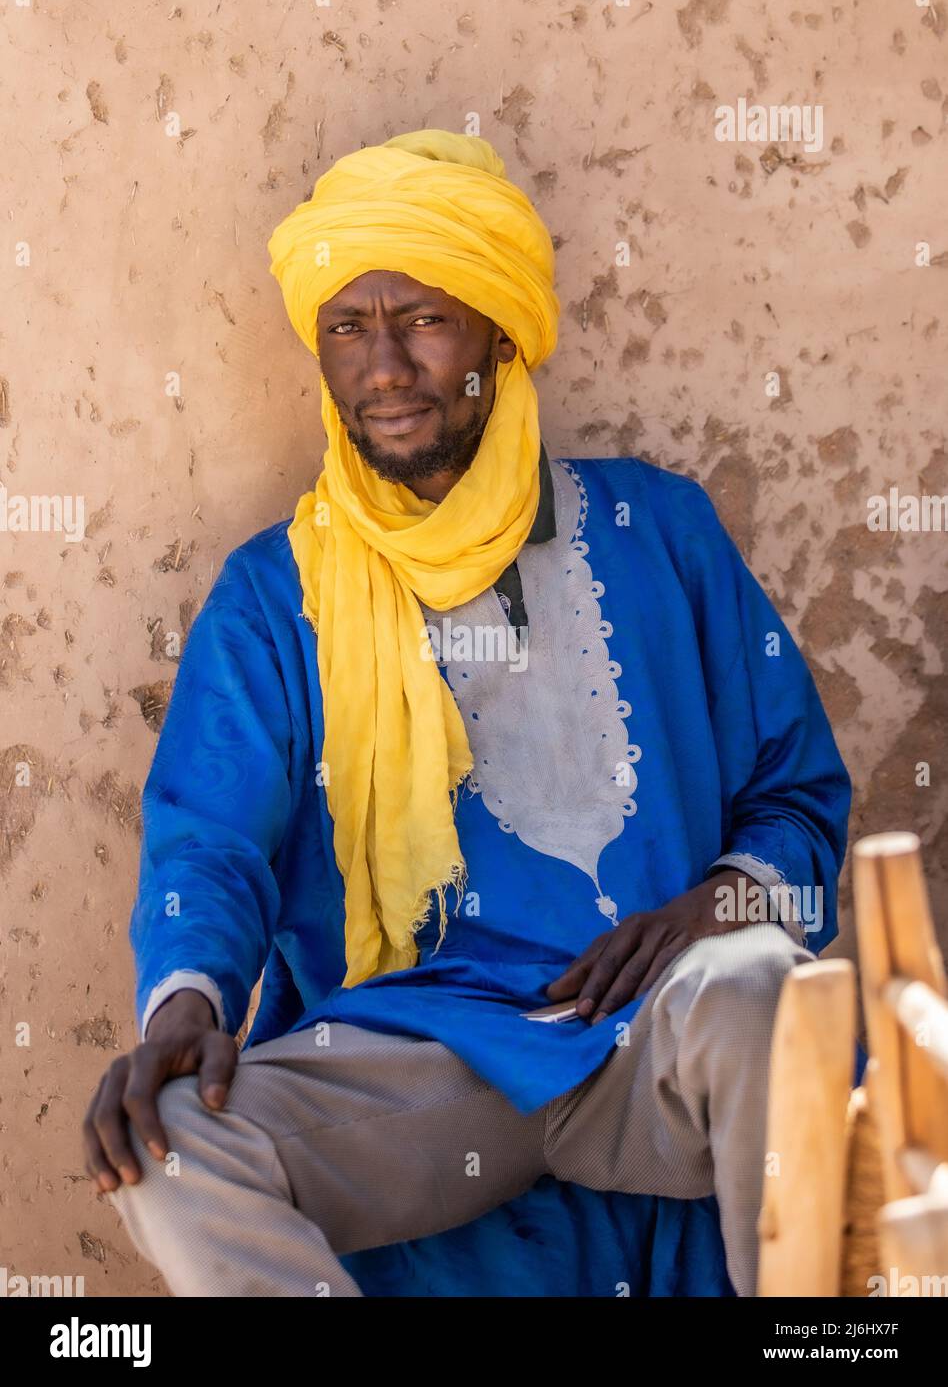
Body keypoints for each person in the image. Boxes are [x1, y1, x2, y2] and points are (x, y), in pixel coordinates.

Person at [82, 129, 851, 1298]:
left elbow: (799, 803)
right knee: (168, 1153)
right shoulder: (275, 595)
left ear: (499, 331)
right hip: (420, 1047)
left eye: (425, 321)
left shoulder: (661, 532)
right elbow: (209, 843)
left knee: (761, 986)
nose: (384, 366)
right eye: (348, 327)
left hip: (656, 1029)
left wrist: (711, 909)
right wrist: (186, 1000)